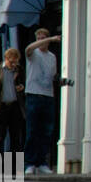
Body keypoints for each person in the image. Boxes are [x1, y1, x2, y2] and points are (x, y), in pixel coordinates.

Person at [23, 28, 60, 173]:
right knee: (32, 130)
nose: (41, 41)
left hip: (48, 95)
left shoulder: (52, 57)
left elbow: (52, 76)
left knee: (46, 131)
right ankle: (29, 163)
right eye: (39, 38)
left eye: (44, 38)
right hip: (33, 94)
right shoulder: (33, 54)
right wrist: (50, 39)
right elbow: (28, 48)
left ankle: (41, 162)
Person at [0, 47, 25, 156]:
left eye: (16, 62)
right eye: (11, 61)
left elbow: (22, 83)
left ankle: (14, 166)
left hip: (14, 106)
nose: (13, 64)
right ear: (6, 58)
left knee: (15, 137)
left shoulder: (19, 70)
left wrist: (21, 86)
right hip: (1, 106)